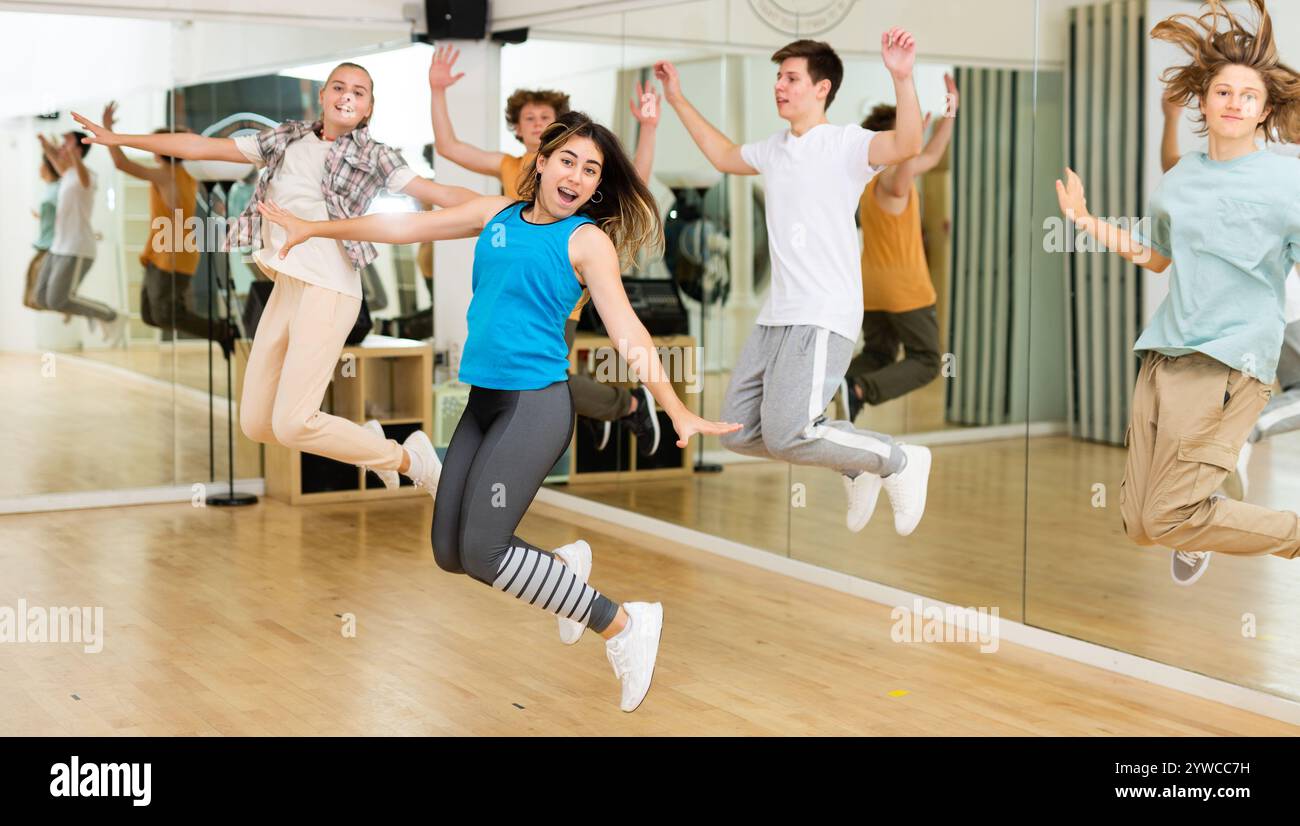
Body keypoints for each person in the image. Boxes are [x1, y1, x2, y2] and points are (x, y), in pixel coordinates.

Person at [259, 112, 741, 711]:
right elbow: (405, 227)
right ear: (540, 164)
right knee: (449, 552)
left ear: (595, 186)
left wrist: (674, 408)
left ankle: (621, 623)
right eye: (567, 161)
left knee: (485, 552)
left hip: (534, 408)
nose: (578, 176)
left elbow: (630, 333)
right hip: (483, 402)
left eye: (591, 170)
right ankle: (564, 567)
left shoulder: (585, 241)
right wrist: (316, 227)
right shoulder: (495, 215)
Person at [74, 62, 477, 495]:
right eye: (339, 86)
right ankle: (371, 442)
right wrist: (120, 139)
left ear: (368, 108)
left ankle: (411, 459)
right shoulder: (284, 139)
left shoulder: (375, 155)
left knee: (292, 423)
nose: (347, 96)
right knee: (257, 422)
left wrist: (502, 210)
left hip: (330, 287)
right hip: (286, 287)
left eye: (359, 92)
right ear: (323, 95)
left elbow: (441, 193)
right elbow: (198, 147)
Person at [1055, 0, 1300, 585]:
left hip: (1230, 359)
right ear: (1204, 100)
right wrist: (1087, 222)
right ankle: (1207, 525)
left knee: (1167, 514)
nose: (1235, 102)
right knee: (1141, 523)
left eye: (1248, 95)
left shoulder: (1287, 181)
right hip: (1165, 353)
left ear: (1265, 111)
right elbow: (1159, 255)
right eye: (1223, 91)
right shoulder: (1178, 181)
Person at [655, 31, 934, 535]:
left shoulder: (846, 145)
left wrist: (902, 76)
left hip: (823, 312)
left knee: (789, 435)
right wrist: (676, 99)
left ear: (822, 88)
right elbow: (723, 155)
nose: (779, 87)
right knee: (737, 432)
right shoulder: (775, 149)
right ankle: (854, 462)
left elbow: (908, 143)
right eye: (777, 78)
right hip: (776, 315)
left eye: (791, 78)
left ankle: (897, 460)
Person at [427, 45, 666, 455]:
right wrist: (437, 90)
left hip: (555, 288)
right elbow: (448, 146)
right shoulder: (509, 164)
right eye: (529, 119)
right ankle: (606, 409)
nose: (538, 124)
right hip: (510, 287)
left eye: (546, 118)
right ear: (518, 131)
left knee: (542, 377)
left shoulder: (575, 169)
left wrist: (648, 127)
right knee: (527, 376)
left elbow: (635, 182)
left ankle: (624, 404)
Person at [1161, 90, 1300, 501]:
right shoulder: (1281, 173)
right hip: (1285, 308)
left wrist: (1169, 118)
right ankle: (1237, 440)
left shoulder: (1228, 168)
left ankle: (1203, 489)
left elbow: (1173, 173)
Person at [840, 74, 958, 423]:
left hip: (872, 289)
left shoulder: (868, 177)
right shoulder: (893, 180)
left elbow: (934, 154)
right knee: (926, 361)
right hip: (905, 289)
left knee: (878, 354)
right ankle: (857, 390)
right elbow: (909, 170)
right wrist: (914, 140)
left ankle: (836, 384)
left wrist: (951, 109)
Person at [100, 102, 237, 354]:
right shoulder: (181, 173)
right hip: (162, 253)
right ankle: (219, 331)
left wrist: (109, 131)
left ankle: (222, 331)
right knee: (151, 315)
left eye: (154, 145)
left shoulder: (169, 174)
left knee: (163, 315)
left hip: (172, 254)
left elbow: (122, 164)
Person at [34, 131, 127, 344]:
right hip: (58, 247)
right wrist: (45, 143)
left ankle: (111, 316)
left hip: (77, 248)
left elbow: (83, 178)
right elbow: (53, 156)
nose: (62, 148)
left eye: (67, 144)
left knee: (58, 300)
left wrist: (72, 154)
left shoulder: (88, 176)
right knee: (40, 298)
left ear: (78, 150)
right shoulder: (67, 175)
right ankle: (91, 313)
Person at [23, 156, 60, 311]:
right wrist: (41, 216)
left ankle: (69, 310)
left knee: (37, 297)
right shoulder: (51, 188)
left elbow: (64, 215)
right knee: (30, 297)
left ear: (47, 167)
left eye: (41, 164)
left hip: (52, 247)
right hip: (45, 245)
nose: (39, 168)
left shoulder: (58, 188)